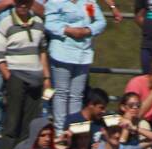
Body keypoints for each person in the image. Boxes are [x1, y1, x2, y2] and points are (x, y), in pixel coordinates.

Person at [45, 0, 106, 132]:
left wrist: (87, 30)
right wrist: (68, 30)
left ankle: (75, 131)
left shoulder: (89, 2)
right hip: (62, 52)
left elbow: (101, 22)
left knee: (77, 95)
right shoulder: (55, 2)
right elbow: (49, 23)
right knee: (61, 93)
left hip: (83, 54)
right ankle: (60, 131)